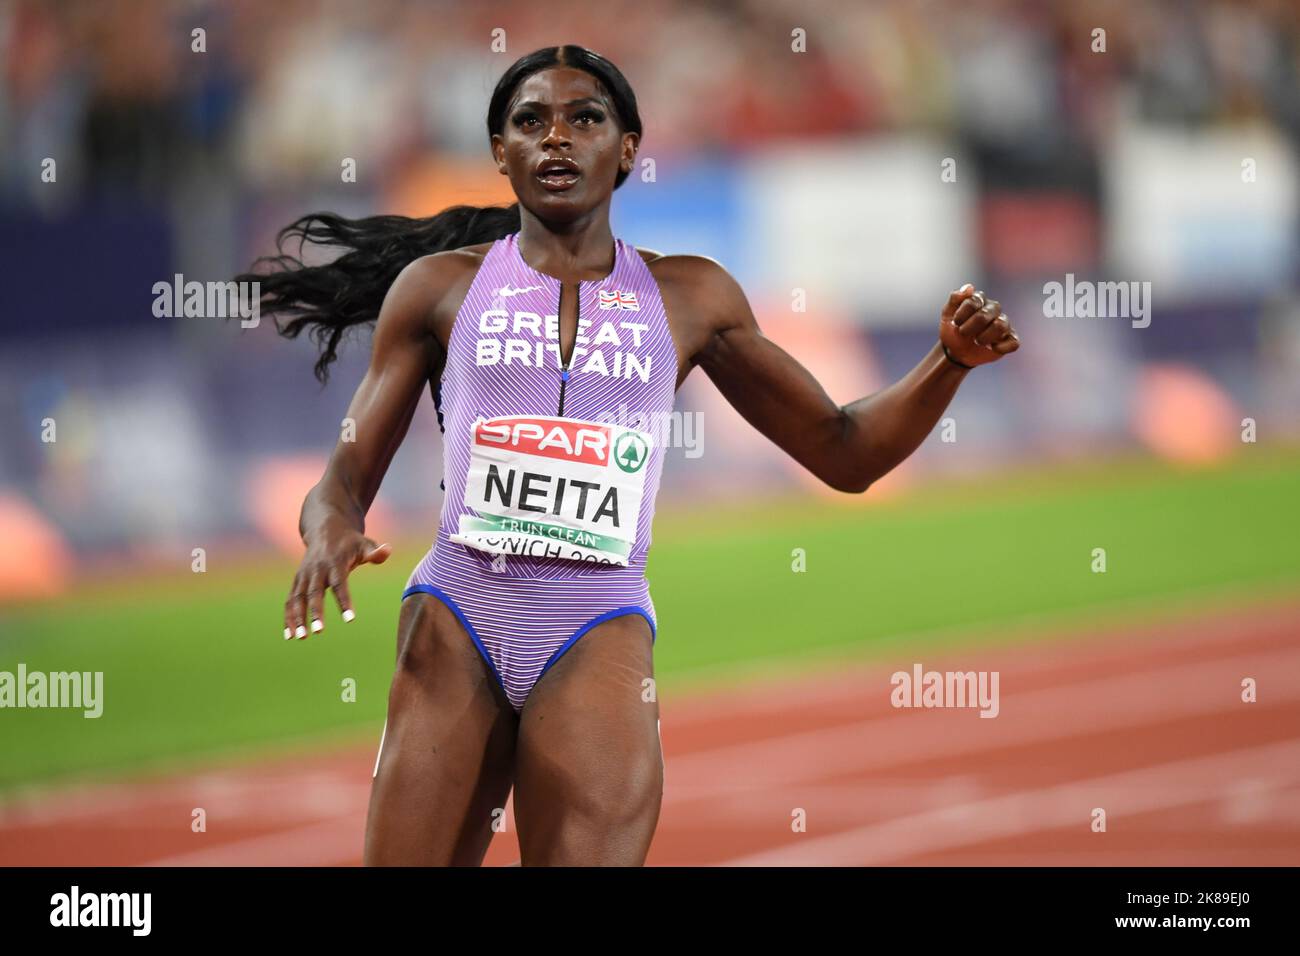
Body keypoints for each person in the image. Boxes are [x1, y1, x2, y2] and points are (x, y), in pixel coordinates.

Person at [238, 44, 1019, 867]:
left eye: (585, 119)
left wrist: (948, 364)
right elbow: (344, 478)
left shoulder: (691, 298)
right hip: (458, 613)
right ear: (501, 154)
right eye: (530, 122)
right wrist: (330, 529)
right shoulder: (439, 290)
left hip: (595, 627)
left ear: (629, 149)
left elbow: (845, 452)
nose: (557, 140)